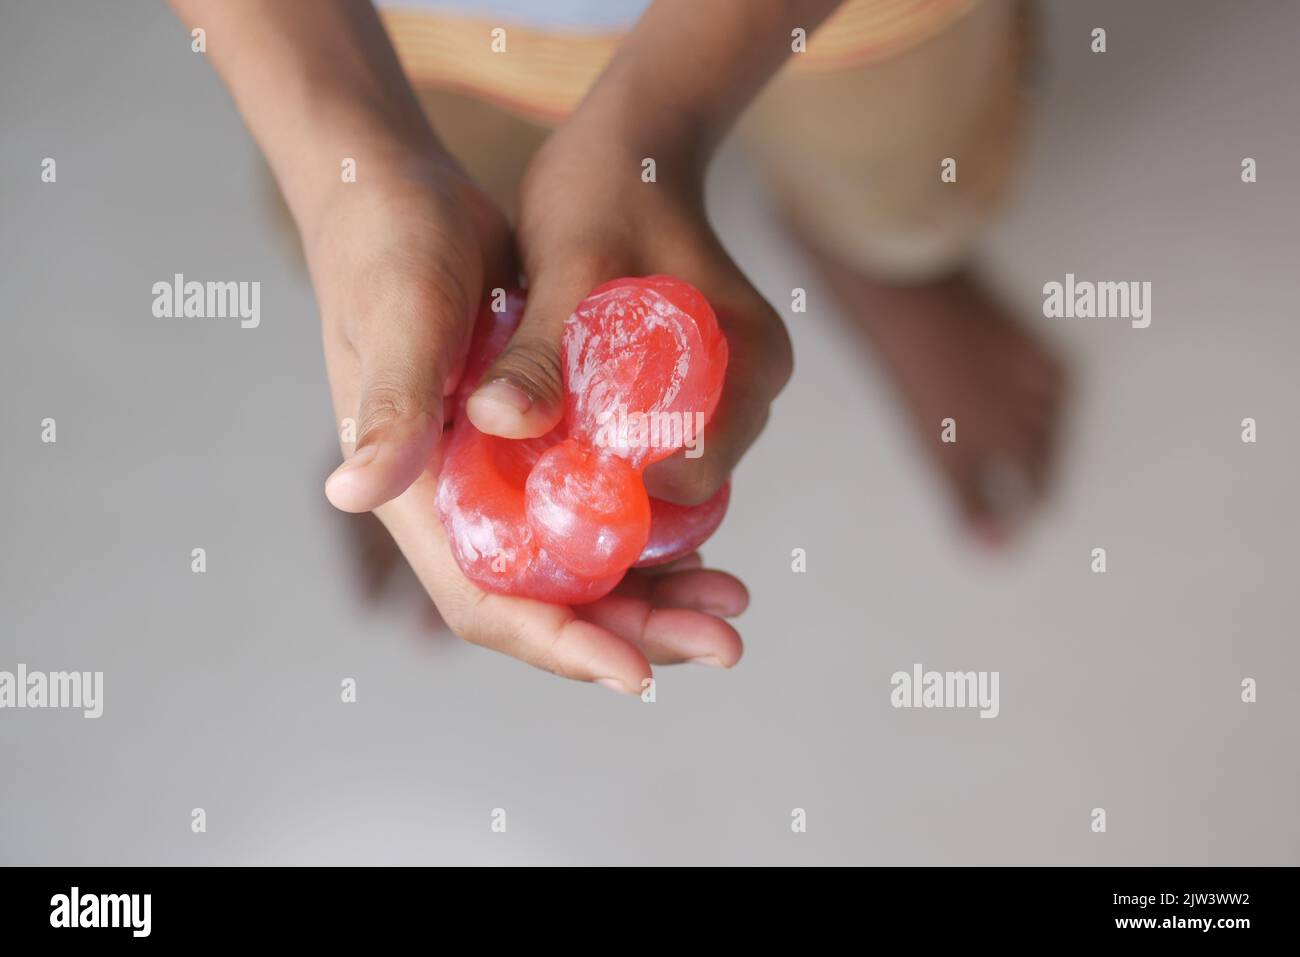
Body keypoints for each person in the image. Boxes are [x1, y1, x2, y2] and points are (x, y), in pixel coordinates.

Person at [168, 0, 1063, 692]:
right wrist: (344, 171)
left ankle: (880, 256)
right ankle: (441, 376)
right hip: (406, 34)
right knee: (443, 244)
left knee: (902, 180)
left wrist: (658, 116)